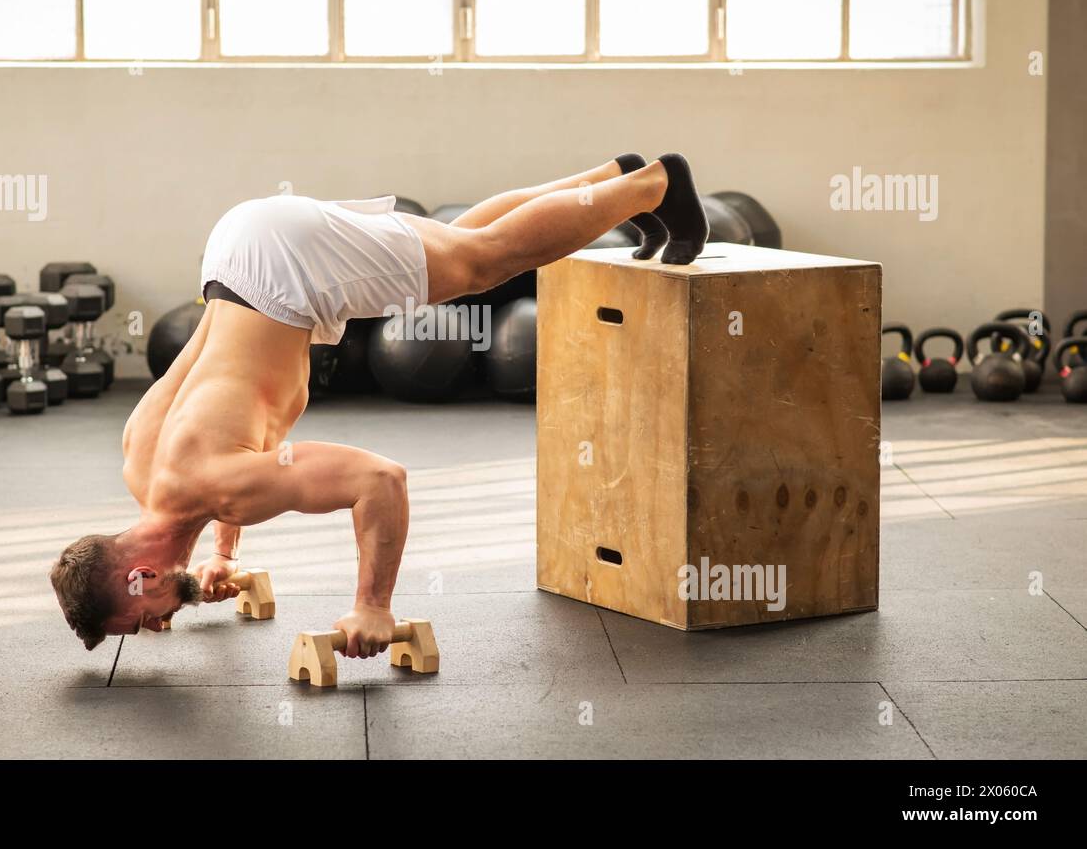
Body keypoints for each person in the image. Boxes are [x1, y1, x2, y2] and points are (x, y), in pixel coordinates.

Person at [50, 152, 706, 655]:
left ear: (137, 577)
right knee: (457, 246)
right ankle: (613, 178)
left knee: (482, 264)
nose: (159, 624)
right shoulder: (146, 463)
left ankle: (654, 187)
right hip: (243, 249)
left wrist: (373, 607)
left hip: (289, 271)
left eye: (139, 621)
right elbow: (221, 450)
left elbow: (380, 480)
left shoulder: (216, 483)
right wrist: (220, 555)